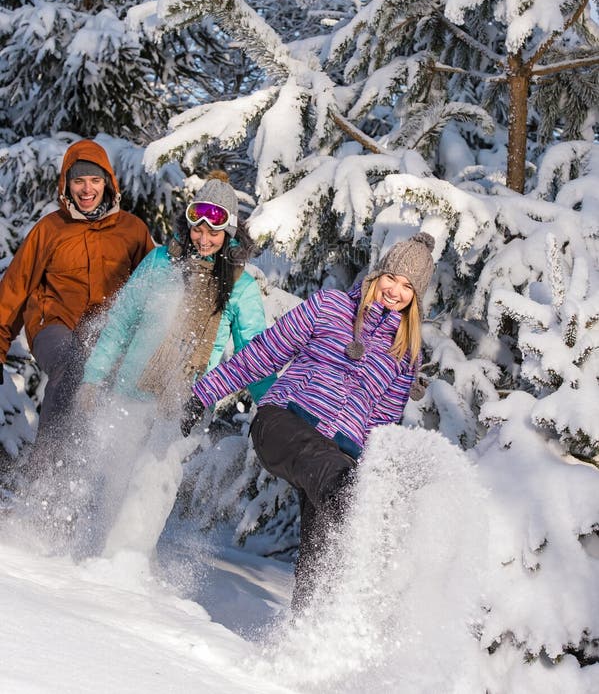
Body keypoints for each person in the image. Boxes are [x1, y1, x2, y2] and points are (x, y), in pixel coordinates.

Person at [181, 231, 436, 611]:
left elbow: (383, 425)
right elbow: (264, 354)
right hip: (284, 423)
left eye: (407, 287)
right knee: (338, 482)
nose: (395, 291)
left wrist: (372, 475)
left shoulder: (405, 352)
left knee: (326, 550)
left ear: (416, 297)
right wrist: (204, 394)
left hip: (339, 457)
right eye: (391, 278)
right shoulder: (329, 307)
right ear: (377, 275)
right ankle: (347, 495)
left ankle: (308, 635)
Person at [78, 171, 275, 556]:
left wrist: (271, 403)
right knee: (116, 475)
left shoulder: (239, 286)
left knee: (155, 476)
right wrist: (93, 376)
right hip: (131, 388)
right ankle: (95, 550)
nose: (203, 238)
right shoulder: (159, 262)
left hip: (186, 402)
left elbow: (255, 354)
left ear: (229, 233)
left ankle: (127, 562)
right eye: (197, 228)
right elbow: (121, 322)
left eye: (214, 232)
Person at [0, 139, 154, 461]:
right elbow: (15, 287)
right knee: (74, 365)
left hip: (110, 334)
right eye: (79, 180)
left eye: (95, 180)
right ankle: (47, 472)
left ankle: (96, 478)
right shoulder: (50, 229)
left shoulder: (132, 230)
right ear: (67, 184)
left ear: (107, 183)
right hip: (55, 325)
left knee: (116, 386)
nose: (87, 189)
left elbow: (156, 285)